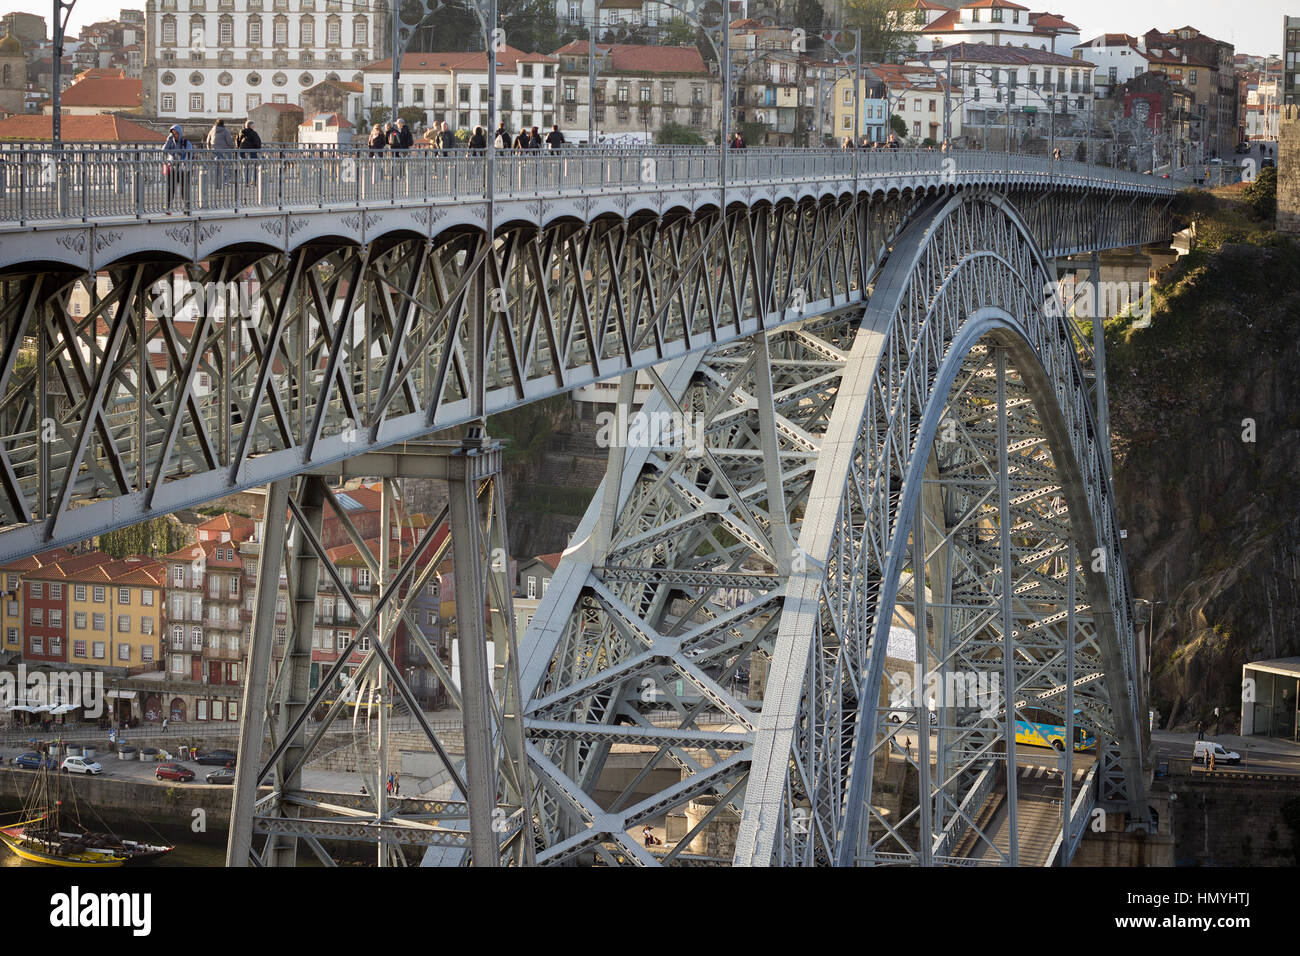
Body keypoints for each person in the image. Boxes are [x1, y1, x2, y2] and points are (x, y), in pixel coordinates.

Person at [162, 124, 193, 213]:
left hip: (183, 169)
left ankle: (186, 208)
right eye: (172, 133)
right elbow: (164, 151)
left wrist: (184, 162)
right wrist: (168, 140)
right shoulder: (170, 142)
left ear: (179, 133)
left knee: (184, 189)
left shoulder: (185, 143)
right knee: (170, 189)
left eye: (175, 133)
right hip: (172, 169)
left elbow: (189, 154)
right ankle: (167, 208)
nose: (174, 135)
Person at [205, 118, 235, 188]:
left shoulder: (212, 130)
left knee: (216, 167)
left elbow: (208, 141)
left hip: (214, 151)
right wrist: (232, 148)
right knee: (226, 166)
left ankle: (216, 181)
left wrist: (209, 149)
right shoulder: (225, 131)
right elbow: (229, 141)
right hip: (225, 151)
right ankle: (225, 181)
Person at [235, 120, 261, 185]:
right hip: (252, 151)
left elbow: (237, 141)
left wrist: (238, 147)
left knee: (244, 166)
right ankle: (253, 181)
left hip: (242, 150)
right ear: (251, 126)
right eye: (253, 125)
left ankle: (245, 181)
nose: (254, 127)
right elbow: (257, 142)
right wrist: (258, 149)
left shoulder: (241, 132)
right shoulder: (254, 133)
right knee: (254, 166)